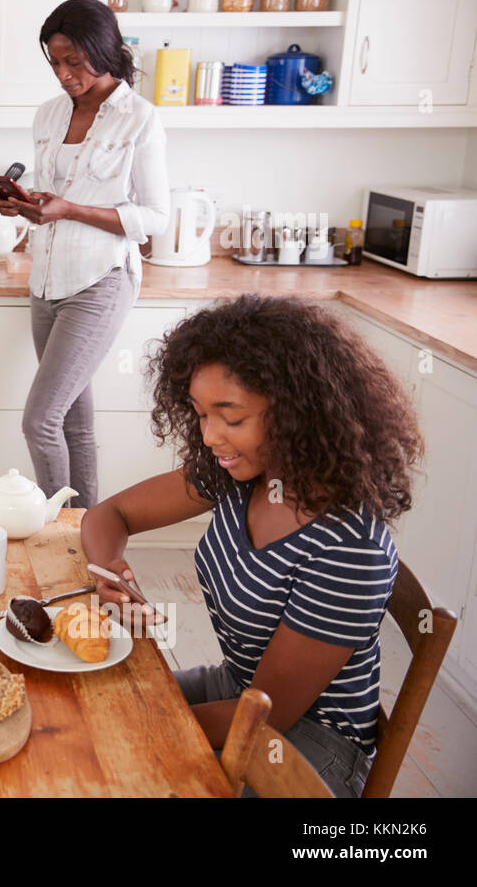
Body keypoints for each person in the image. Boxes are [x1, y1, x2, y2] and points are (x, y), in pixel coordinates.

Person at [80, 295, 424, 796]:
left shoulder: (349, 548)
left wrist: (143, 725)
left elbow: (265, 716)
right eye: (200, 414)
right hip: (237, 691)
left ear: (296, 412)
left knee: (112, 760)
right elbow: (108, 514)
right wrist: (109, 568)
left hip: (305, 746)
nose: (212, 436)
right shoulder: (241, 474)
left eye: (231, 418)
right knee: (80, 713)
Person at [0, 0, 170, 509]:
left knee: (40, 419)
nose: (64, 74)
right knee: (72, 418)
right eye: (55, 61)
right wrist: (21, 207)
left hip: (101, 280)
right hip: (46, 281)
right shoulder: (48, 115)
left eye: (74, 60)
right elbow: (50, 199)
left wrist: (70, 210)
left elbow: (156, 218)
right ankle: (88, 536)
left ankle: (58, 531)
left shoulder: (139, 119)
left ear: (105, 50)